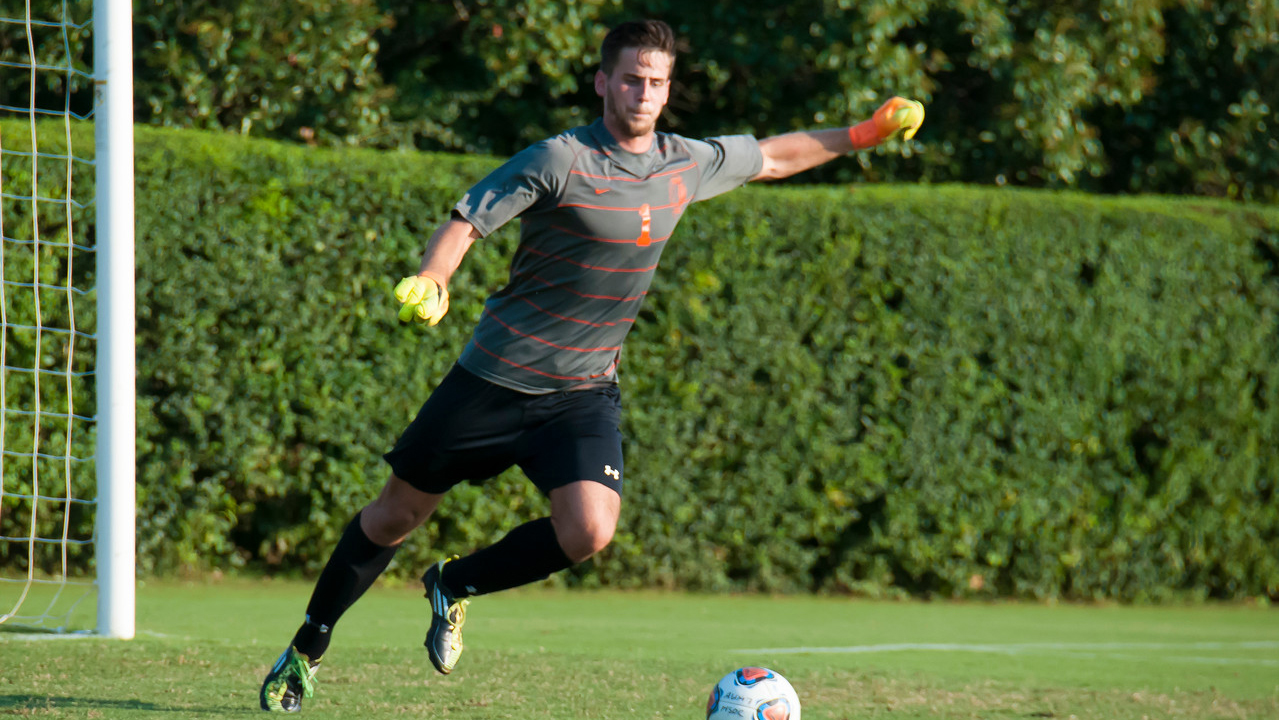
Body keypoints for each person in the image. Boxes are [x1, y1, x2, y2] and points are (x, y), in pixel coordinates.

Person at [259, 18, 923, 713]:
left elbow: (774, 156)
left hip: (579, 393)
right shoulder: (559, 160)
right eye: (630, 77)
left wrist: (862, 135)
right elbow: (466, 221)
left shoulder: (682, 162)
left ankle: (453, 583)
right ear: (602, 81)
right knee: (395, 515)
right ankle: (305, 649)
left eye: (656, 81)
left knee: (589, 530)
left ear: (668, 91)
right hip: (491, 380)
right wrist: (433, 278)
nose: (642, 92)